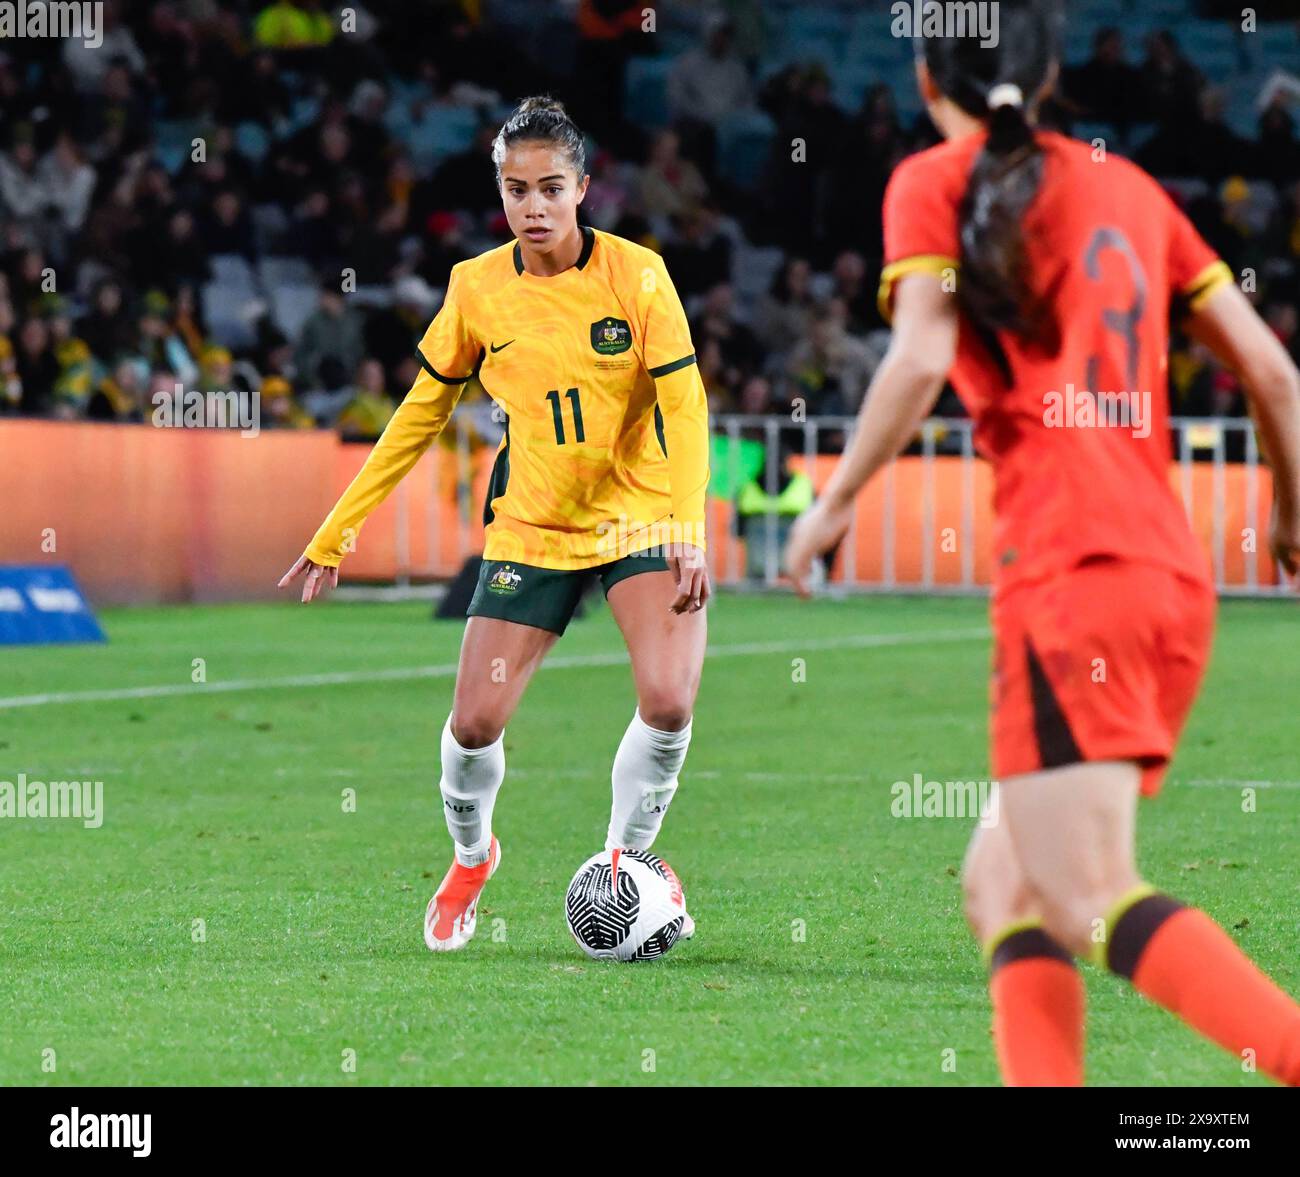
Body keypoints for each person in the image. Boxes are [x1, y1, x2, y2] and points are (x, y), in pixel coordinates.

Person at [785, 0, 1300, 1086]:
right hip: (1162, 572)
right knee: (1003, 889)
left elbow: (921, 358)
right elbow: (1276, 377)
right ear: (1051, 68)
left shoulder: (934, 180)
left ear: (927, 77)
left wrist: (831, 503)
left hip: (1071, 574)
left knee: (1082, 892)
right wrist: (1291, 515)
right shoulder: (1132, 190)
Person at [280, 97, 711, 953]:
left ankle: (624, 864)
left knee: (667, 700)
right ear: (501, 193)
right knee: (474, 724)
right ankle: (472, 859)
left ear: (584, 187)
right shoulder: (475, 288)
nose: (534, 207)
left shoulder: (640, 274)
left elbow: (685, 402)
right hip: (533, 530)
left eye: (552, 187)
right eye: (517, 190)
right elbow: (416, 415)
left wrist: (687, 524)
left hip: (637, 520)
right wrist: (336, 531)